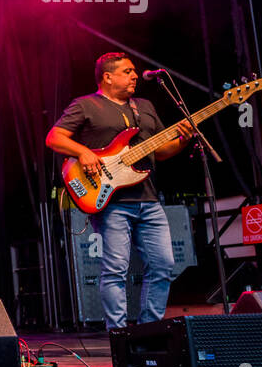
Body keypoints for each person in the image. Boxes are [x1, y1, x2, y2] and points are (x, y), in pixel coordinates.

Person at [46, 52, 192, 330]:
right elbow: (54, 137)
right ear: (108, 77)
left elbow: (161, 151)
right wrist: (83, 152)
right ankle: (119, 335)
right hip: (111, 200)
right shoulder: (86, 105)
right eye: (127, 71)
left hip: (148, 199)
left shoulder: (144, 106)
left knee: (163, 266)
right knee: (115, 270)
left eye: (135, 71)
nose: (135, 76)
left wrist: (183, 140)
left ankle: (148, 332)